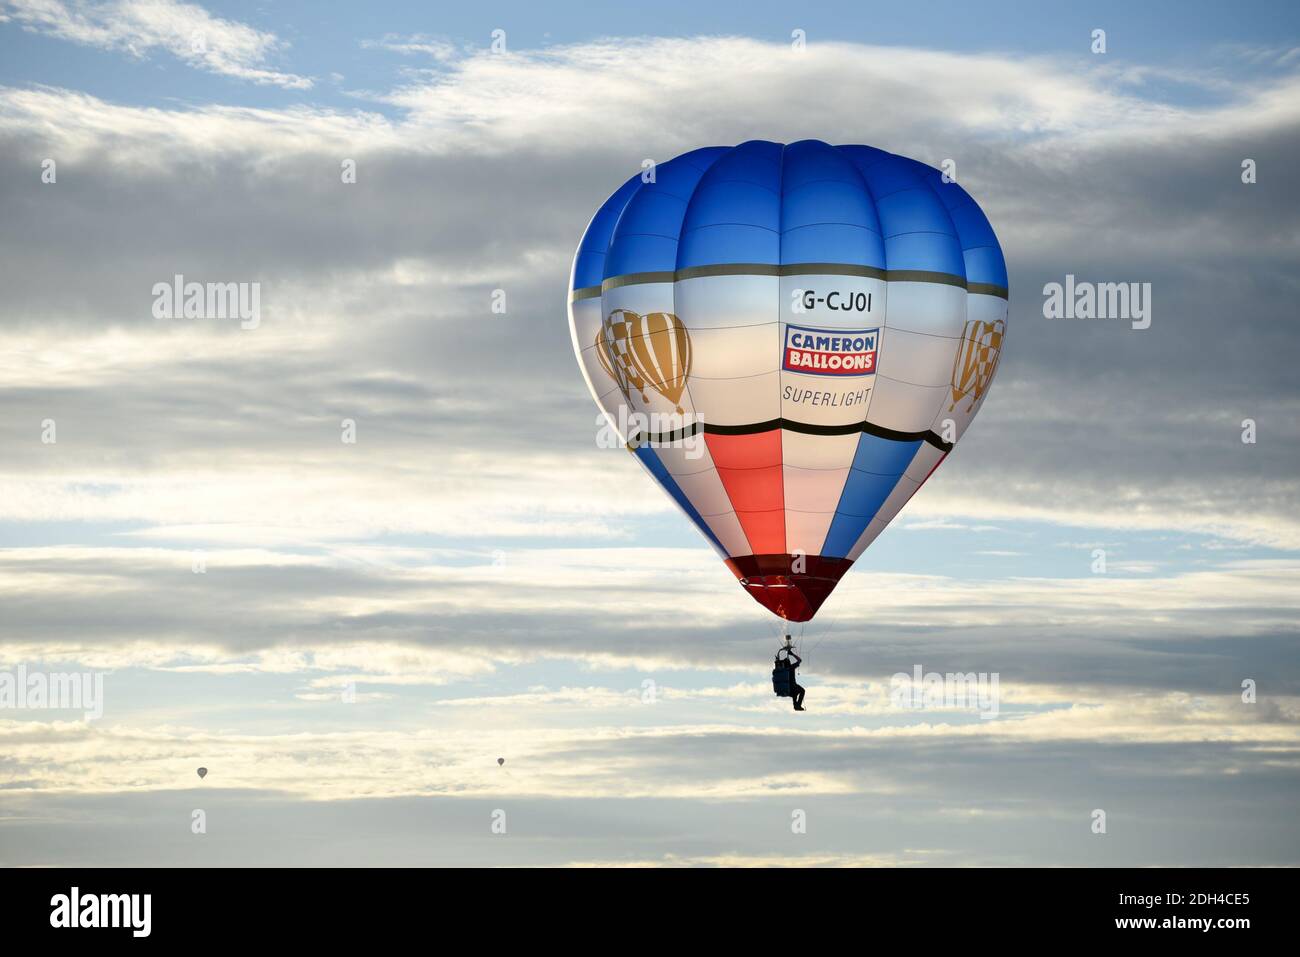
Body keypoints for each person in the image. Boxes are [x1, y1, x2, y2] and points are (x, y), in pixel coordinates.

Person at [773, 643, 805, 711]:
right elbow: (799, 660)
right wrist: (792, 654)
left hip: (787, 689)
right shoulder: (791, 667)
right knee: (802, 691)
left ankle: (796, 705)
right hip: (792, 687)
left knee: (795, 693)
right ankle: (797, 705)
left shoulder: (781, 670)